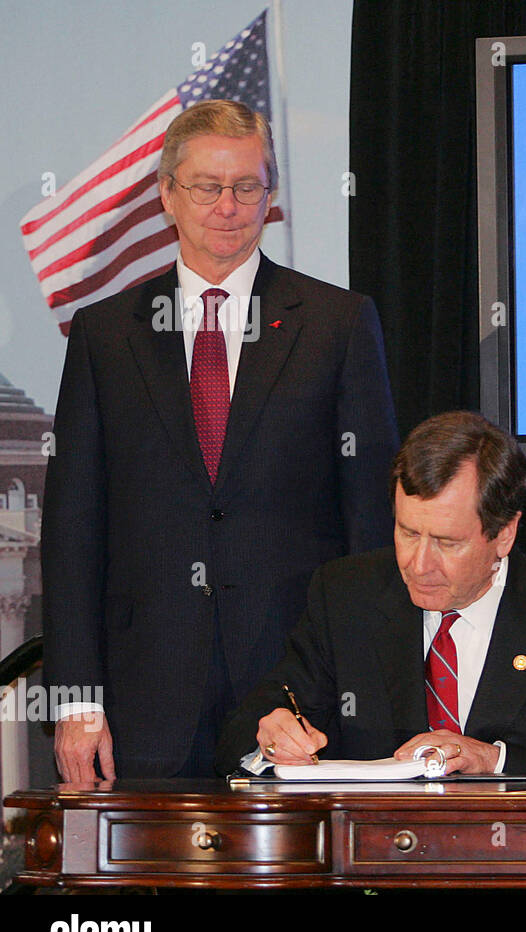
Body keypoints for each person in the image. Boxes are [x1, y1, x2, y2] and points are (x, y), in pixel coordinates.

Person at [42, 99, 399, 780]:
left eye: (247, 187)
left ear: (270, 196)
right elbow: (73, 532)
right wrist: (76, 702)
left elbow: (371, 525)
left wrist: (365, 686)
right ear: (167, 195)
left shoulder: (338, 324)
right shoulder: (104, 335)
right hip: (143, 695)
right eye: (207, 186)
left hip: (301, 690)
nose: (228, 206)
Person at [214, 411, 526, 777]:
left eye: (446, 542)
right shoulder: (345, 597)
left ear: (503, 534)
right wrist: (271, 740)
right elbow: (251, 726)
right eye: (407, 532)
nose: (417, 563)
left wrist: (495, 760)